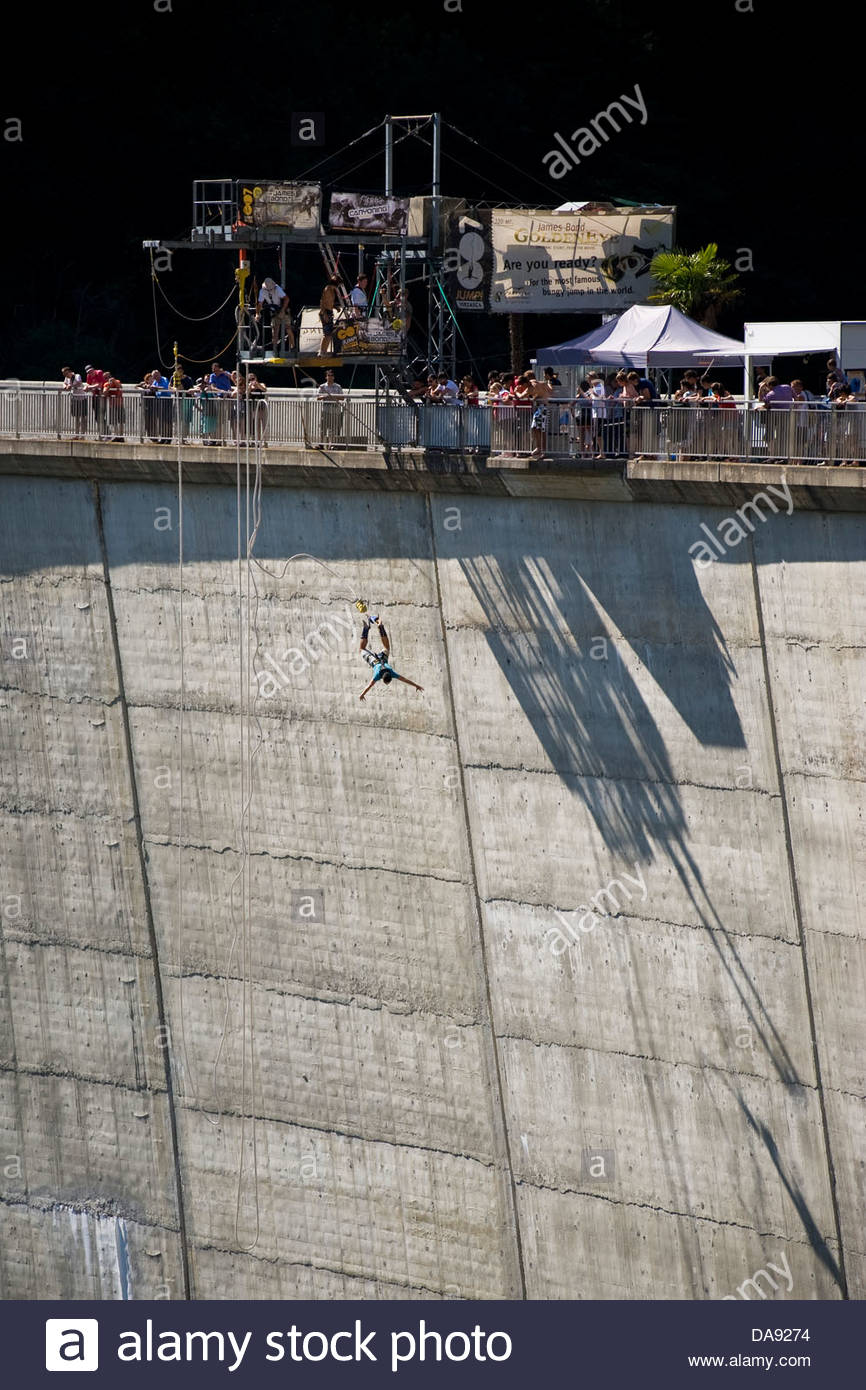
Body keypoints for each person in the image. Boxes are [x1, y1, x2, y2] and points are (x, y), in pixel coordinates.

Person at [358, 613, 423, 700]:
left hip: (383, 658)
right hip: (374, 660)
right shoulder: (377, 675)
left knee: (387, 647)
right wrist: (362, 694)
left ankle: (380, 627)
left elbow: (405, 679)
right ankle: (366, 628)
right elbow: (369, 686)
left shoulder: (392, 673)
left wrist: (416, 685)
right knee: (362, 649)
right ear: (383, 678)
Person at [256, 276, 295, 353]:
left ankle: (293, 347)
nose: (269, 290)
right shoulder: (262, 291)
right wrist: (257, 313)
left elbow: (286, 299)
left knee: (288, 329)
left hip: (283, 310)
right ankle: (275, 350)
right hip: (274, 312)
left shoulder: (277, 289)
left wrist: (283, 310)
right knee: (274, 331)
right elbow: (260, 303)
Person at [527, 371, 554, 459]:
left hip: (542, 408)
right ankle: (539, 447)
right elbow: (549, 391)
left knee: (542, 429)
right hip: (540, 408)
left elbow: (531, 393)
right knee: (535, 427)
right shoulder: (542, 383)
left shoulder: (534, 384)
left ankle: (543, 450)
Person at [317, 368, 344, 444]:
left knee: (333, 429)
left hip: (335, 410)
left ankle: (332, 444)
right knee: (323, 428)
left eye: (331, 375)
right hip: (325, 409)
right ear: (326, 377)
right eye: (328, 375)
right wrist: (325, 396)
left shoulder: (338, 386)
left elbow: (342, 397)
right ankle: (322, 444)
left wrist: (334, 396)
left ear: (333, 377)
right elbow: (318, 397)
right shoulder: (322, 386)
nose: (330, 377)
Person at [61, 366, 88, 438]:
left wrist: (70, 384)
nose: (65, 375)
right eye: (64, 374)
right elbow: (64, 383)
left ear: (69, 371)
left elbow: (78, 382)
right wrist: (65, 386)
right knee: (76, 417)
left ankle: (83, 435)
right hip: (74, 399)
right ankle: (76, 434)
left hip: (82, 398)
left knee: (82, 417)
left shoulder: (77, 376)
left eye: (66, 373)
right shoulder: (67, 378)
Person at [319, 275, 341, 354]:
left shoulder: (332, 290)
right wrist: (324, 313)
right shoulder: (328, 289)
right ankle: (322, 352)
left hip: (329, 311)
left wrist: (335, 307)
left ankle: (323, 352)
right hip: (325, 312)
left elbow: (329, 302)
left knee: (329, 334)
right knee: (327, 334)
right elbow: (322, 302)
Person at [102, 371, 125, 441]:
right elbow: (104, 392)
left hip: (120, 404)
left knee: (121, 421)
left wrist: (114, 381)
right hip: (112, 405)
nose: (108, 379)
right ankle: (116, 435)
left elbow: (120, 387)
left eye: (109, 377)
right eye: (106, 378)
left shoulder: (117, 381)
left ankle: (121, 436)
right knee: (114, 421)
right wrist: (109, 385)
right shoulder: (106, 384)